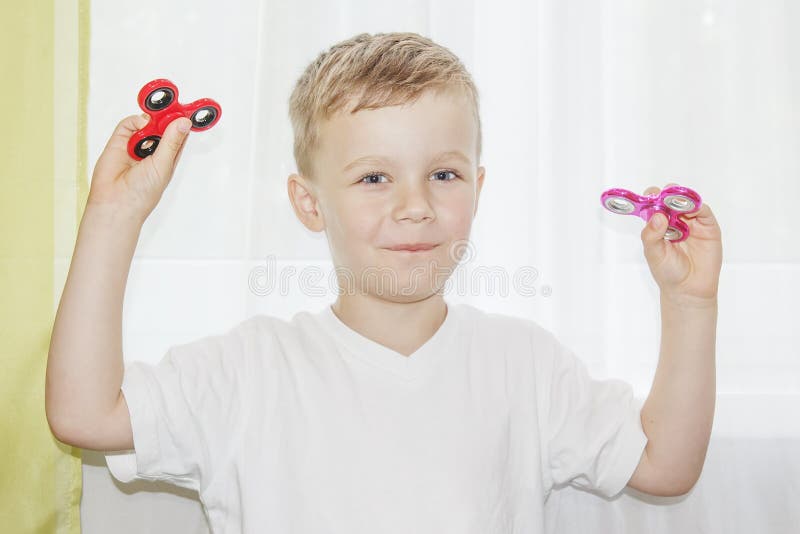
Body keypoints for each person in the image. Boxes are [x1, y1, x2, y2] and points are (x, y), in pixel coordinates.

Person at [45, 31, 723, 533]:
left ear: (478, 187)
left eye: (444, 174)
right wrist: (114, 215)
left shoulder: (526, 366)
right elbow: (83, 414)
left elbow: (664, 465)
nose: (415, 205)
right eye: (374, 177)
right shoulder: (248, 371)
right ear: (309, 203)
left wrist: (689, 303)